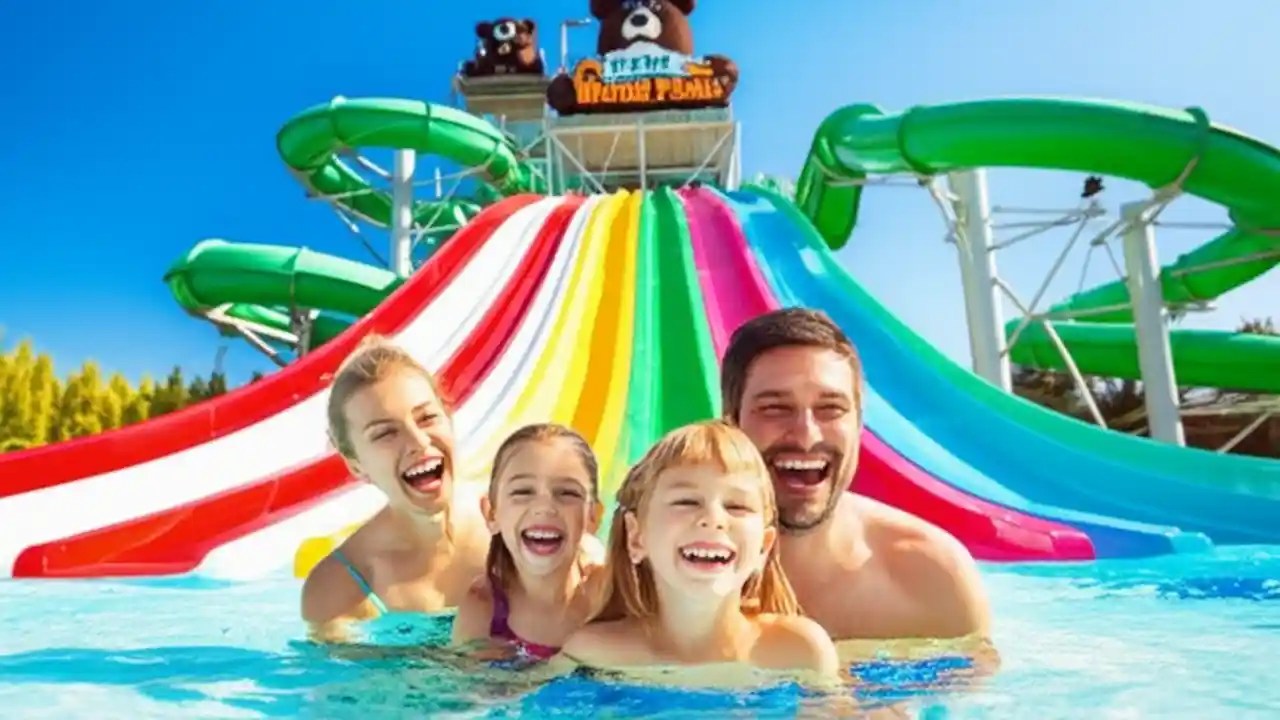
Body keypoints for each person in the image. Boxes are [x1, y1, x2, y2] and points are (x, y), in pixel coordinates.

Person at [720, 307, 991, 641]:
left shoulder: (932, 578)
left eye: (830, 409)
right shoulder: (655, 574)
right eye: (775, 408)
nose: (807, 436)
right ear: (731, 424)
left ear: (859, 424)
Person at [559, 420, 839, 681]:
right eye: (686, 501)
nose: (713, 518)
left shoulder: (798, 653)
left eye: (736, 506)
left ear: (763, 549)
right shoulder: (594, 656)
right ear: (636, 537)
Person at [451, 423, 606, 659]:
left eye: (567, 493)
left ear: (593, 517)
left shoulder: (607, 597)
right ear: (492, 513)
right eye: (523, 491)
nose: (544, 507)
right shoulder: (483, 608)